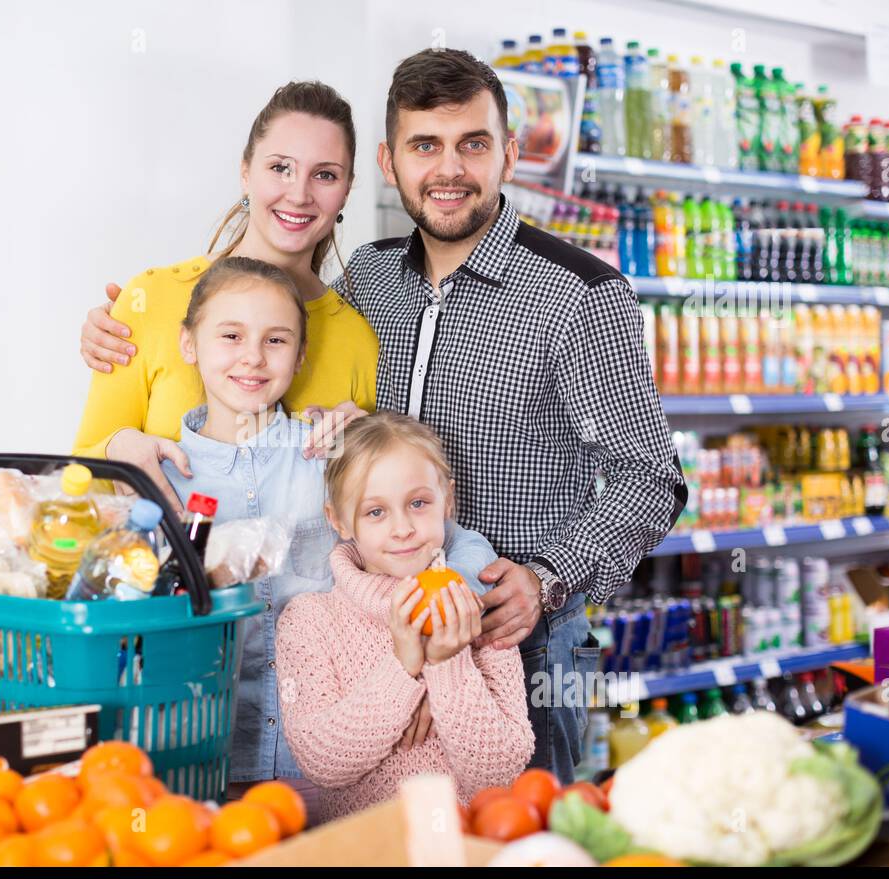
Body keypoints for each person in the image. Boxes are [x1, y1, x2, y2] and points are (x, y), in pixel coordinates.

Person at [77, 49, 686, 782]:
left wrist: (547, 576)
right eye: (425, 145)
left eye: (474, 144)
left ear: (510, 155)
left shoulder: (580, 294)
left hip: (515, 635)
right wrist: (116, 365)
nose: (449, 169)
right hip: (363, 650)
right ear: (393, 164)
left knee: (516, 838)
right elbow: (246, 330)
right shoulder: (368, 281)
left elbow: (651, 478)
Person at [158, 256, 500, 820]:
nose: (252, 357)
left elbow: (453, 543)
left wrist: (437, 625)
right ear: (189, 344)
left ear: (300, 355)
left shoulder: (332, 455)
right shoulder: (162, 478)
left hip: (340, 750)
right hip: (207, 755)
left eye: (276, 339)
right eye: (231, 336)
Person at [72, 81, 378, 513]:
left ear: (346, 190)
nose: (299, 193)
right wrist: (115, 449)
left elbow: (368, 515)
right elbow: (75, 478)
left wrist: (371, 451)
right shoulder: (151, 298)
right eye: (280, 167)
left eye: (324, 174)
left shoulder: (356, 339)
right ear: (245, 171)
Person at [276, 412, 533, 821]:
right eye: (375, 512)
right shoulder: (309, 621)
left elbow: (498, 777)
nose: (402, 529)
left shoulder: (478, 611)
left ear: (448, 500)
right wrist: (404, 666)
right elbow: (322, 761)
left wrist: (448, 661)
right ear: (338, 520)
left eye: (418, 503)